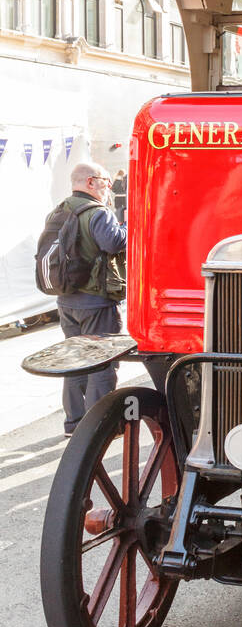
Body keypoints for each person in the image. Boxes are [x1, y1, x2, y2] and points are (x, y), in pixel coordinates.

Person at [56, 162, 127, 436]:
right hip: (96, 299)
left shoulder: (59, 210)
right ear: (90, 182)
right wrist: (126, 226)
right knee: (101, 362)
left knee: (75, 359)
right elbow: (113, 243)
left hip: (66, 299)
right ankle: (98, 428)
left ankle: (74, 424)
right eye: (106, 182)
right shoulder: (97, 212)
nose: (108, 187)